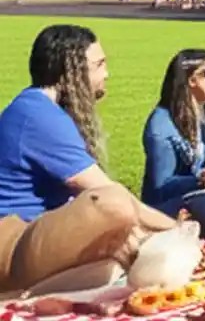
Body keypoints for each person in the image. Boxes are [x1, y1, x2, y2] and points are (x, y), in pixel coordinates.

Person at [0, 25, 177, 296]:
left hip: (29, 236)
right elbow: (104, 193)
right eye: (100, 65)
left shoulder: (40, 108)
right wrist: (177, 230)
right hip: (11, 243)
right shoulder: (39, 116)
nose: (107, 74)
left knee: (121, 252)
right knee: (112, 203)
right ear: (72, 71)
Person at [141, 51, 205, 237]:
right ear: (191, 80)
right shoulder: (161, 125)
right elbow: (161, 186)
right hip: (166, 204)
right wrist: (202, 180)